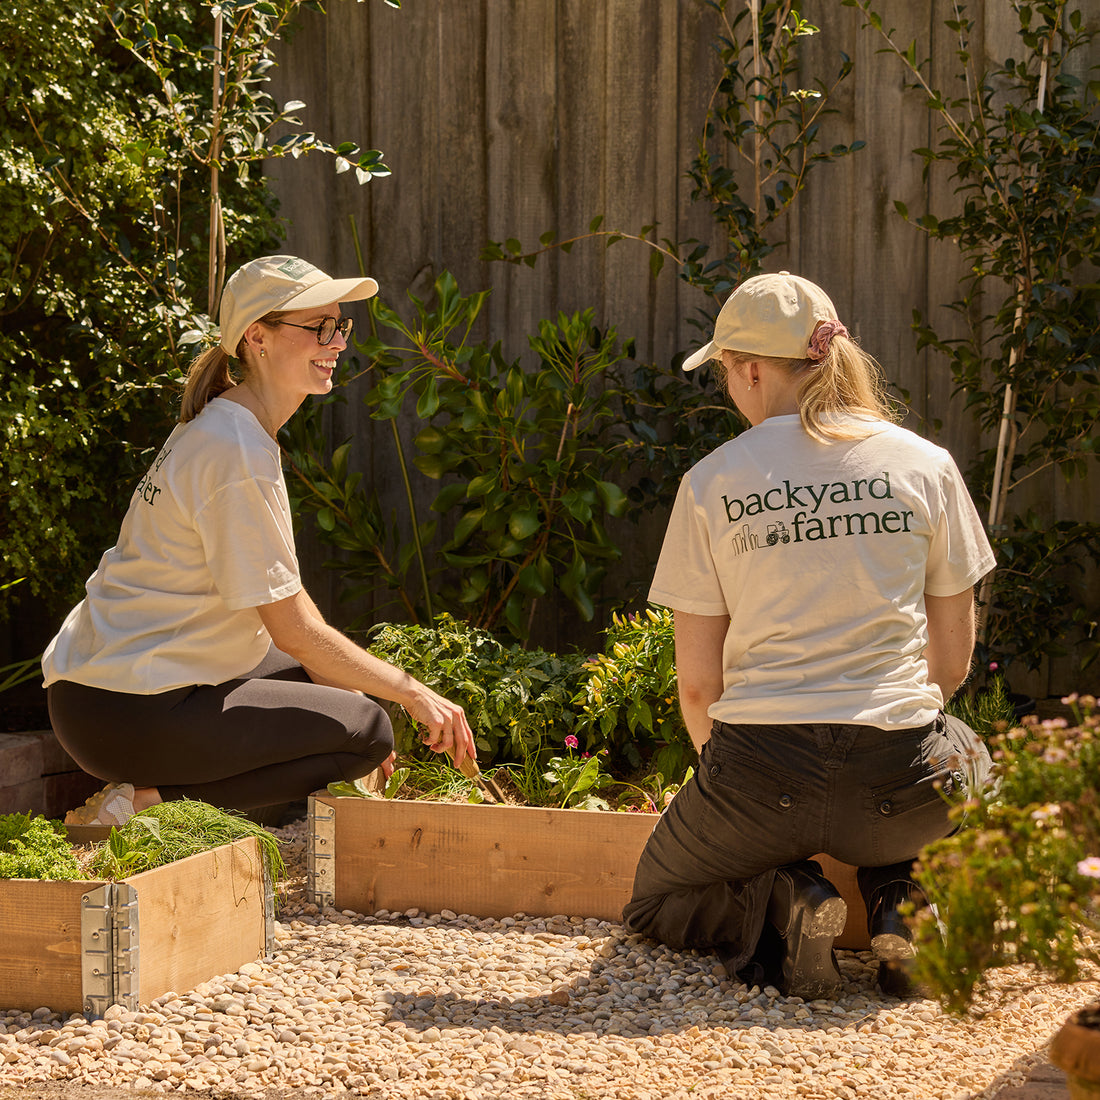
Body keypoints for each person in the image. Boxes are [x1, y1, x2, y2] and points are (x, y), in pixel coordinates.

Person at [622, 271, 994, 999]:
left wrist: (739, 795)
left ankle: (789, 899)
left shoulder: (711, 482)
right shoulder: (926, 464)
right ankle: (905, 904)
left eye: (726, 372)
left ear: (753, 371)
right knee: (975, 767)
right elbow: (949, 664)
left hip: (759, 774)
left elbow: (698, 687)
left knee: (655, 903)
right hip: (901, 771)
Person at [43, 255, 476, 826]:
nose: (337, 342)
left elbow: (287, 605)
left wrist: (343, 688)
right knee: (368, 732)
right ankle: (145, 803)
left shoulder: (225, 425)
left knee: (339, 696)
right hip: (128, 709)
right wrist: (412, 692)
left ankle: (148, 792)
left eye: (340, 325)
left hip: (105, 691)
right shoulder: (236, 451)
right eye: (318, 327)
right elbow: (293, 631)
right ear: (258, 337)